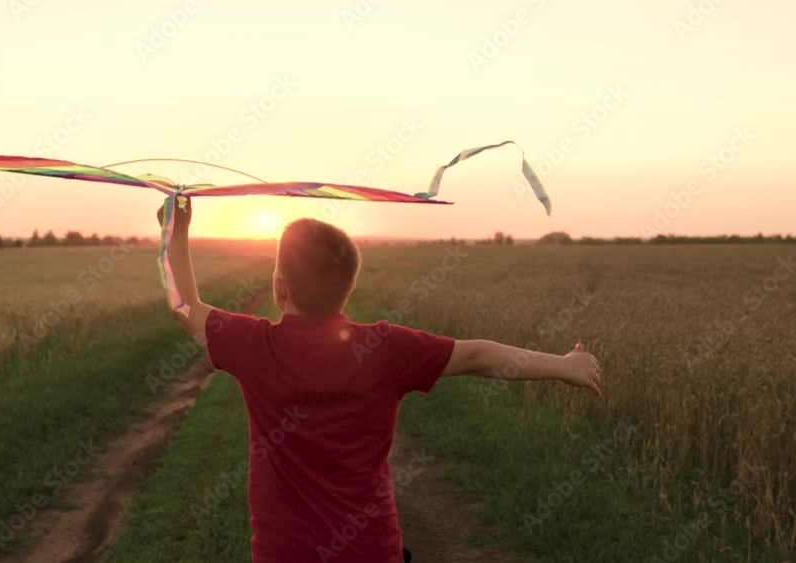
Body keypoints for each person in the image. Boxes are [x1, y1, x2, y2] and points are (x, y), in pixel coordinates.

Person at [157, 197, 601, 563]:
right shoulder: (385, 349)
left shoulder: (255, 346)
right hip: (371, 550)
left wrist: (174, 233)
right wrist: (565, 365)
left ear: (278, 289)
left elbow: (182, 307)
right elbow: (479, 356)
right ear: (348, 288)